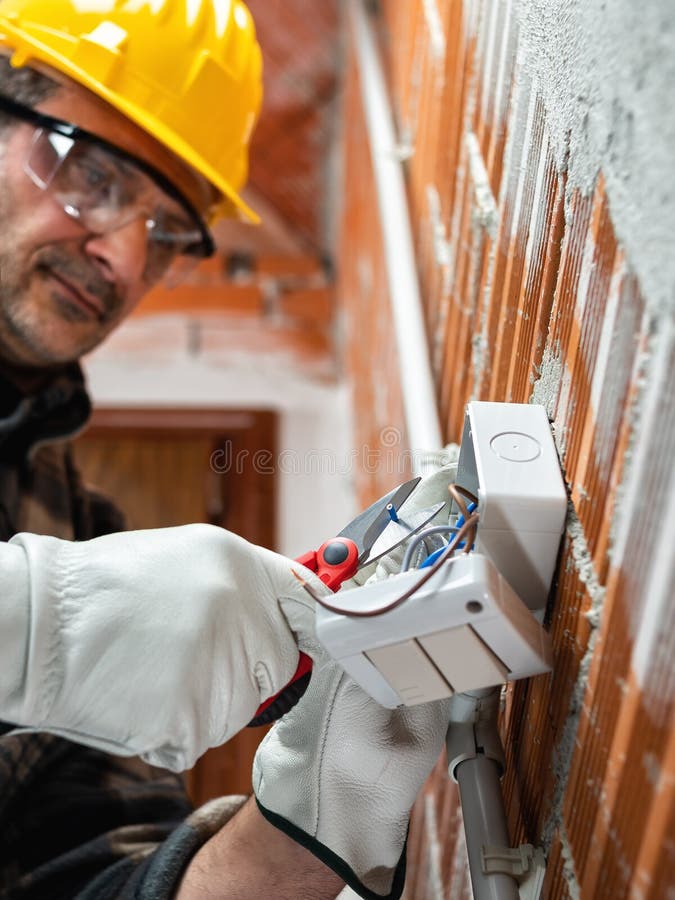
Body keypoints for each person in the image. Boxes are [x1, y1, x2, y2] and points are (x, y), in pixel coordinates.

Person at [0, 2, 455, 898]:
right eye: (91, 174)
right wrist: (35, 629)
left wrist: (313, 822)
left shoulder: (83, 528)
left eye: (169, 230)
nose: (125, 260)